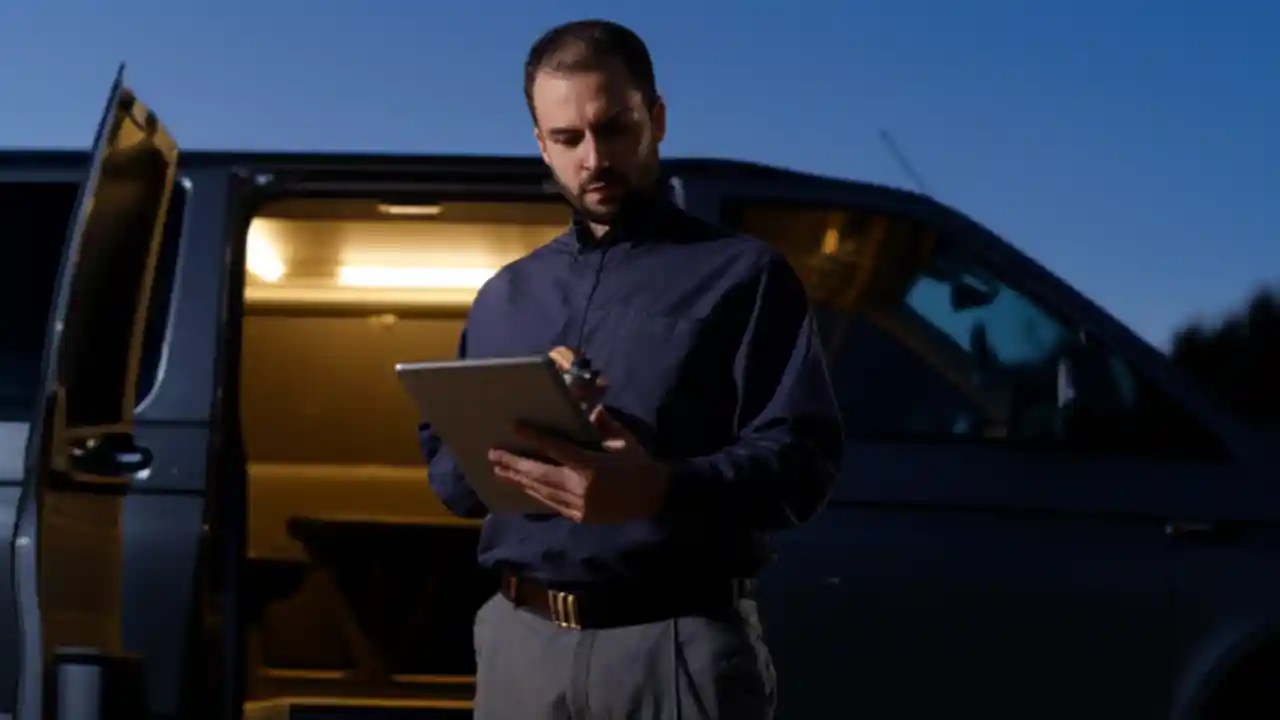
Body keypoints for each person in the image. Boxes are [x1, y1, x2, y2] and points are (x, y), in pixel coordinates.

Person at [418, 18, 844, 719]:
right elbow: (451, 481)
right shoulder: (504, 296)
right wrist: (511, 439)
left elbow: (803, 462)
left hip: (673, 646)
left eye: (615, 128)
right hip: (519, 647)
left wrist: (657, 490)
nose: (594, 158)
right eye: (568, 139)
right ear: (540, 145)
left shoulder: (744, 276)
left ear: (658, 118)